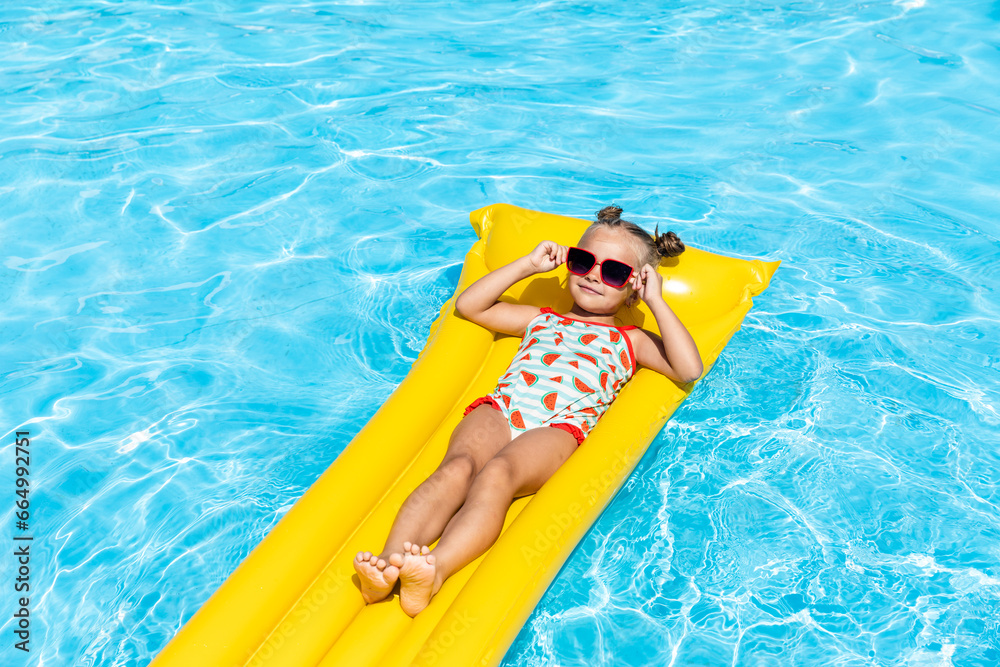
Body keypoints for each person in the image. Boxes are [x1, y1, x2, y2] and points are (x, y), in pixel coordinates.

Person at [353, 205, 704, 617]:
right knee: (456, 467)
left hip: (558, 427)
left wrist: (656, 300)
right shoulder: (541, 318)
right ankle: (389, 566)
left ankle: (435, 571)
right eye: (583, 260)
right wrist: (529, 265)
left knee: (497, 475)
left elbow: (688, 368)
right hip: (502, 409)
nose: (593, 274)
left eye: (613, 272)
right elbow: (471, 306)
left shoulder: (633, 339)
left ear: (633, 285)